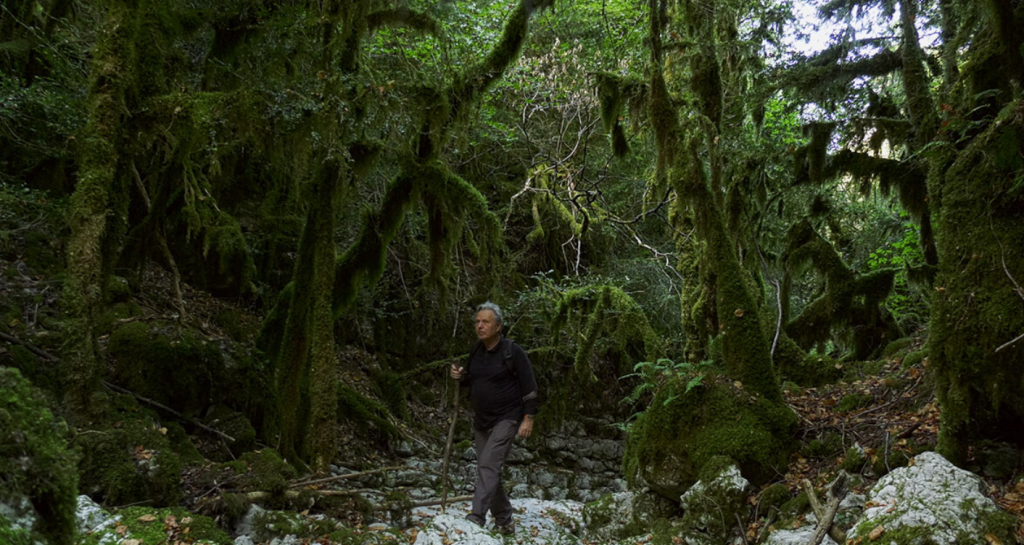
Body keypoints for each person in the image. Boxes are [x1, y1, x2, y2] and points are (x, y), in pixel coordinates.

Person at [450, 301, 538, 535]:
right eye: (477, 322)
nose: (479, 326)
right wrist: (460, 376)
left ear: (498, 326)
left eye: (485, 322)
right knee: (489, 469)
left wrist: (528, 418)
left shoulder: (512, 351)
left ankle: (476, 517)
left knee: (488, 466)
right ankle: (505, 520)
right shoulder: (477, 351)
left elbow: (530, 387)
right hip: (482, 420)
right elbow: (473, 379)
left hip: (507, 418)